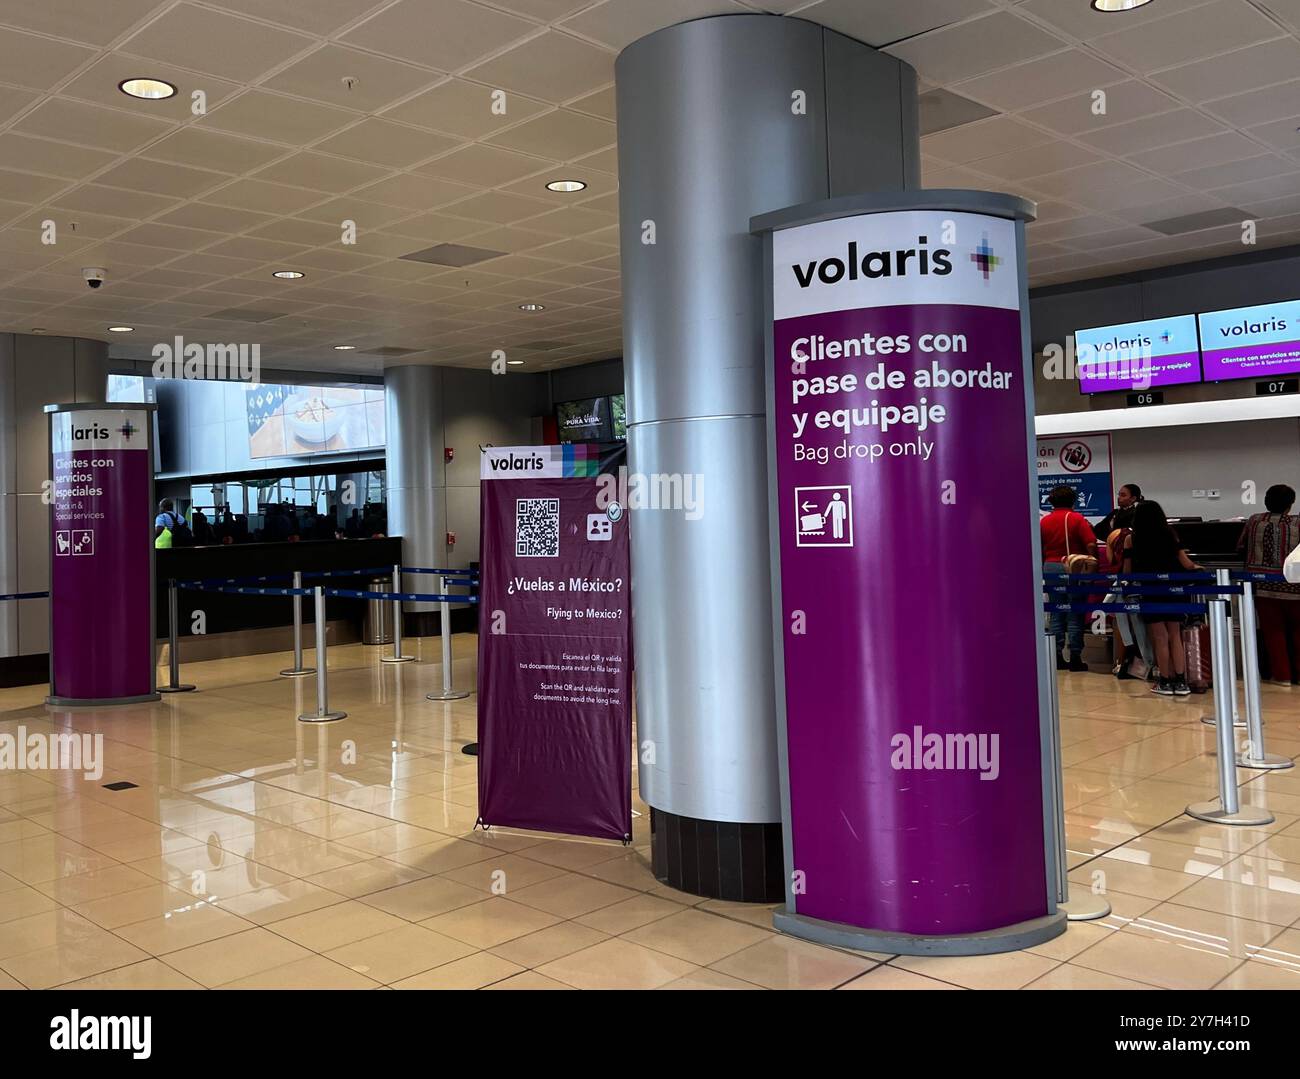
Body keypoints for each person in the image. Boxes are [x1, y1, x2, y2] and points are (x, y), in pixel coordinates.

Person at [1124, 500, 1202, 697]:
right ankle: (1181, 680)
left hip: (1150, 589)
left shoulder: (1132, 539)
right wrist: (1198, 569)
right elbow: (1186, 564)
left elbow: (1127, 570)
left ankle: (1165, 681)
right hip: (1174, 589)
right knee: (1175, 634)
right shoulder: (1170, 534)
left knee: (1160, 637)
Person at [1237, 484, 1300, 685]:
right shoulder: (1297, 523)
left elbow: (1240, 546)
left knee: (1273, 633)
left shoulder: (1255, 521)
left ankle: (1282, 676)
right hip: (1294, 586)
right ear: (1290, 505)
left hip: (1263, 586)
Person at [1040, 484, 1097, 671]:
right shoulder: (1076, 518)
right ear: (1072, 500)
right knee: (1075, 611)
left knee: (1057, 611)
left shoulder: (1044, 521)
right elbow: (1090, 543)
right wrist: (1092, 563)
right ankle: (1075, 656)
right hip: (1074, 566)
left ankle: (1056, 655)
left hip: (1050, 566)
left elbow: (1040, 548)